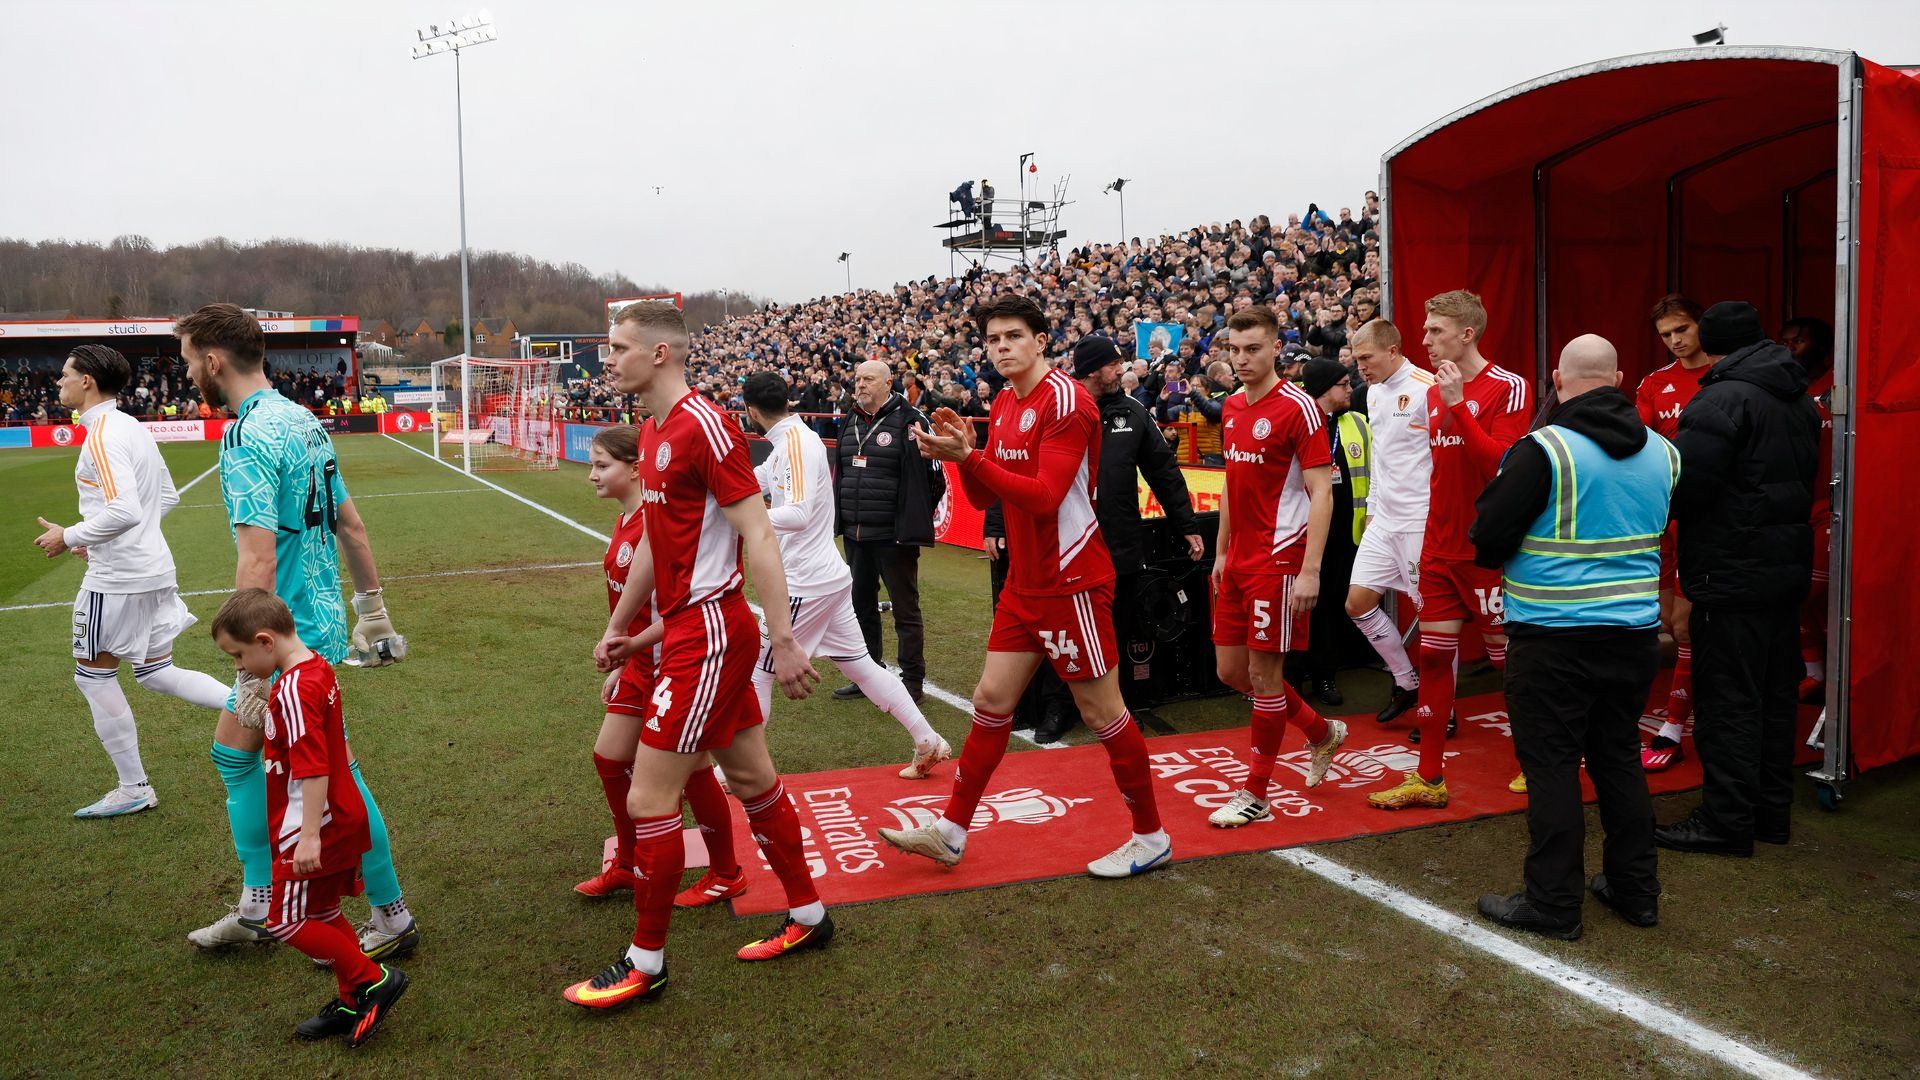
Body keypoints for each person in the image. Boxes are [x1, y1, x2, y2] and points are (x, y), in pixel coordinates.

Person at [567, 302, 828, 1010]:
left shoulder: (705, 425)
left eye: (618, 347)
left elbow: (759, 536)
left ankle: (644, 963)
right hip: (686, 630)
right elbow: (656, 538)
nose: (607, 359)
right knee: (751, 776)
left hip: (710, 635)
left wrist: (785, 636)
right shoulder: (651, 430)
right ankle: (809, 916)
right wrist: (624, 627)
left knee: (651, 795)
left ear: (659, 354)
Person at [881, 294, 1169, 877]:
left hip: (1071, 582)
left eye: (1013, 336)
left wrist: (974, 458)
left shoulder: (1067, 400)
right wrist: (962, 457)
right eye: (992, 340)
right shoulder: (1007, 403)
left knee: (1102, 712)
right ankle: (951, 832)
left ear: (1041, 341)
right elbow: (990, 496)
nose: (1002, 347)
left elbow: (1045, 497)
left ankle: (1151, 836)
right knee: (990, 702)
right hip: (1025, 583)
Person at [175, 303, 421, 961]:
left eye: (189, 359)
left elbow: (257, 559)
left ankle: (378, 913)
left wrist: (247, 658)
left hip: (280, 640)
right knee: (244, 755)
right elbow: (353, 525)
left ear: (214, 360)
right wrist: (372, 608)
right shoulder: (306, 420)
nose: (188, 370)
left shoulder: (248, 435)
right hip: (315, 624)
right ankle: (270, 903)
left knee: (323, 770)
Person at [1470, 334, 1675, 940]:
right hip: (1633, 633)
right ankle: (1636, 891)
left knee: (1552, 768)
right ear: (1619, 381)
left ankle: (1553, 904)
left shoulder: (1544, 449)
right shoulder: (1665, 452)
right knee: (1617, 761)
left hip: (1553, 636)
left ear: (1557, 381)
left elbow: (1489, 539)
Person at [31, 344, 232, 818]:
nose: (56, 383)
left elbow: (125, 509)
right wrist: (108, 539)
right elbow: (165, 498)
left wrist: (72, 536)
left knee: (93, 675)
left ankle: (133, 786)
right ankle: (258, 708)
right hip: (150, 568)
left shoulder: (102, 434)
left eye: (64, 375)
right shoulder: (132, 427)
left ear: (87, 382)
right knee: (156, 672)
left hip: (117, 578)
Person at [209, 589, 409, 1047]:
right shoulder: (311, 667)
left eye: (238, 656)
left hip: (317, 823)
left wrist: (309, 837)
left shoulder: (297, 688)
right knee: (321, 911)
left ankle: (373, 980)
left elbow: (313, 767)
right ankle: (353, 996)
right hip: (331, 817)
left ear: (264, 640)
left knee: (284, 921)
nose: (238, 668)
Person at [1655, 302, 1819, 857]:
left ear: (1712, 341)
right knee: (1773, 697)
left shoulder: (1721, 397)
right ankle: (1769, 813)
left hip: (1732, 570)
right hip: (1781, 565)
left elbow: (1689, 487)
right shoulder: (1792, 393)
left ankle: (1725, 821)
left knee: (1729, 700)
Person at [569, 423, 745, 912]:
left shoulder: (657, 520)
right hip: (640, 665)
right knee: (609, 758)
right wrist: (623, 660)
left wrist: (629, 647)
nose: (592, 476)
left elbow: (685, 608)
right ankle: (627, 863)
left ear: (634, 468)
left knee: (696, 769)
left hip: (679, 662)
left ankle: (727, 871)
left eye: (602, 465)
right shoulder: (629, 519)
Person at [741, 371, 951, 777]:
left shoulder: (798, 443)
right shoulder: (789, 441)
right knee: (862, 666)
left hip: (807, 582)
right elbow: (757, 482)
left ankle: (741, 772)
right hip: (825, 578)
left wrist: (743, 518)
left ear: (751, 412)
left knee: (756, 672)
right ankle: (927, 741)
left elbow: (799, 514)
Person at [1370, 290, 1533, 810]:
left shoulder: (1507, 387)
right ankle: (1429, 778)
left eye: (1435, 330)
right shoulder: (1432, 392)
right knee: (1436, 661)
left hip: (1486, 552)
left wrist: (1460, 405)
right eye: (1425, 329)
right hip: (1438, 546)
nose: (1424, 339)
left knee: (1515, 663)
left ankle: (1538, 762)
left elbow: (1500, 468)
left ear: (1467, 334)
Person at [1204, 309, 1348, 828]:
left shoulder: (1300, 409)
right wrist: (1221, 552)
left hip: (1280, 559)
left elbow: (1320, 492)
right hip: (1238, 559)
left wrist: (1311, 570)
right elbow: (1229, 488)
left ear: (1275, 350)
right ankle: (1320, 733)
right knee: (1231, 671)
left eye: (1252, 350)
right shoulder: (1232, 407)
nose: (1241, 360)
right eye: (1234, 350)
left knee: (1265, 676)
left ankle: (1256, 794)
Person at [1022, 335, 1206, 742]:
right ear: (1092, 369)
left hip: (1119, 544)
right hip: (1065, 545)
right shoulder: (1054, 407)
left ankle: (1118, 708)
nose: (1121, 370)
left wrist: (1187, 525)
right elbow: (1014, 466)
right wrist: (997, 528)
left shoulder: (1133, 411)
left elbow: (1164, 472)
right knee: (1063, 630)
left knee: (1118, 629)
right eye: (1114, 364)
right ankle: (1059, 707)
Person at [833, 358, 945, 703]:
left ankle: (913, 682)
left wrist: (910, 517)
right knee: (861, 606)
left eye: (868, 379)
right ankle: (870, 676)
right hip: (856, 533)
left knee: (905, 609)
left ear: (887, 383)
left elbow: (935, 477)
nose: (860, 384)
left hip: (893, 536)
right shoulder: (851, 418)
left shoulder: (911, 419)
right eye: (857, 378)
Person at [1633, 295, 1711, 772]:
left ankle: (1674, 727)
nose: (1676, 340)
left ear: (1701, 324)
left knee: (1684, 626)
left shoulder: (1724, 376)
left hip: (1704, 520)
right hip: (1660, 522)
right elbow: (1638, 446)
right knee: (1666, 622)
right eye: (1666, 334)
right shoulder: (1654, 384)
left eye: (1683, 329)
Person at [1343, 319, 1432, 724]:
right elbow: (1380, 457)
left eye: (1366, 357)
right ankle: (1407, 682)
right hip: (1384, 521)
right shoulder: (1374, 394)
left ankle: (1440, 707)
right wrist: (1374, 510)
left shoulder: (1425, 387)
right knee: (1358, 603)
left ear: (1393, 350)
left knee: (1433, 620)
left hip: (1419, 520)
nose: (1360, 367)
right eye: (1356, 358)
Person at [1300, 357, 1369, 707]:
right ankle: (1291, 679)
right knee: (1298, 609)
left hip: (1346, 537)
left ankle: (1325, 676)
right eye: (1343, 384)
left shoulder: (1357, 422)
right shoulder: (1299, 421)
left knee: (1330, 608)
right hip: (1302, 537)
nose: (1350, 390)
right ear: (1325, 389)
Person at [1780, 316, 1835, 705]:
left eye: (1798, 341)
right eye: (1784, 341)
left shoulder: (1839, 383)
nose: (1790, 348)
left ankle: (1838, 670)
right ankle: (1813, 673)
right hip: (1797, 503)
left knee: (1819, 592)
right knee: (1797, 591)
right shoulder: (1786, 388)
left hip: (1834, 505)